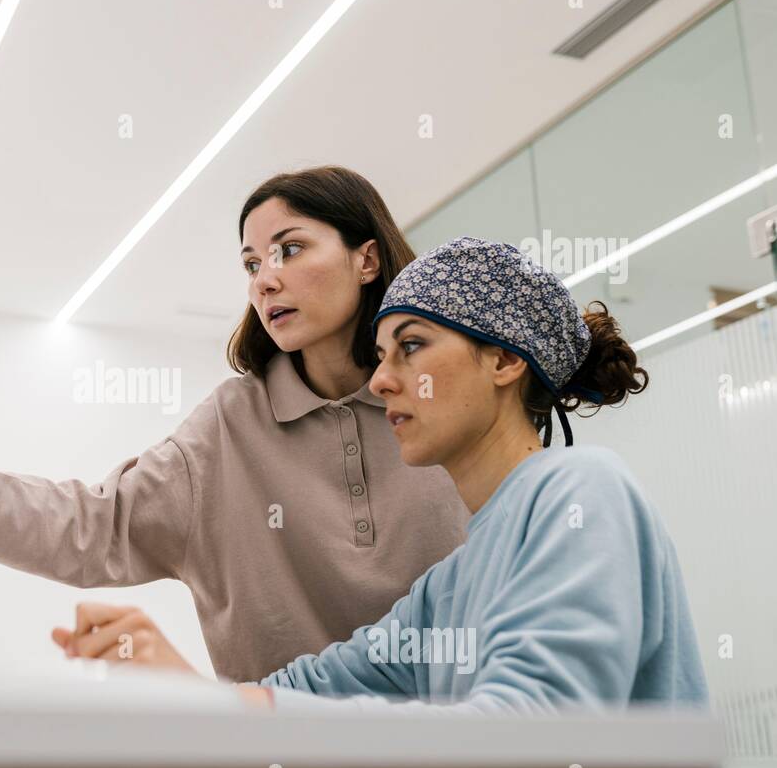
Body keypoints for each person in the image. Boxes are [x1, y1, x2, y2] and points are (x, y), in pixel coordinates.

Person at [0, 167, 469, 683]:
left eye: (290, 249)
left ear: (366, 259)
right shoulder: (228, 427)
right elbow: (93, 525)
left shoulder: (448, 403)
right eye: (251, 263)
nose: (264, 279)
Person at [126, 236, 705, 713]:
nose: (380, 381)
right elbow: (309, 693)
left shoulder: (581, 493)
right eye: (381, 356)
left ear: (505, 359)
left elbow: (531, 739)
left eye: (411, 346)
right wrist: (194, 700)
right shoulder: (445, 588)